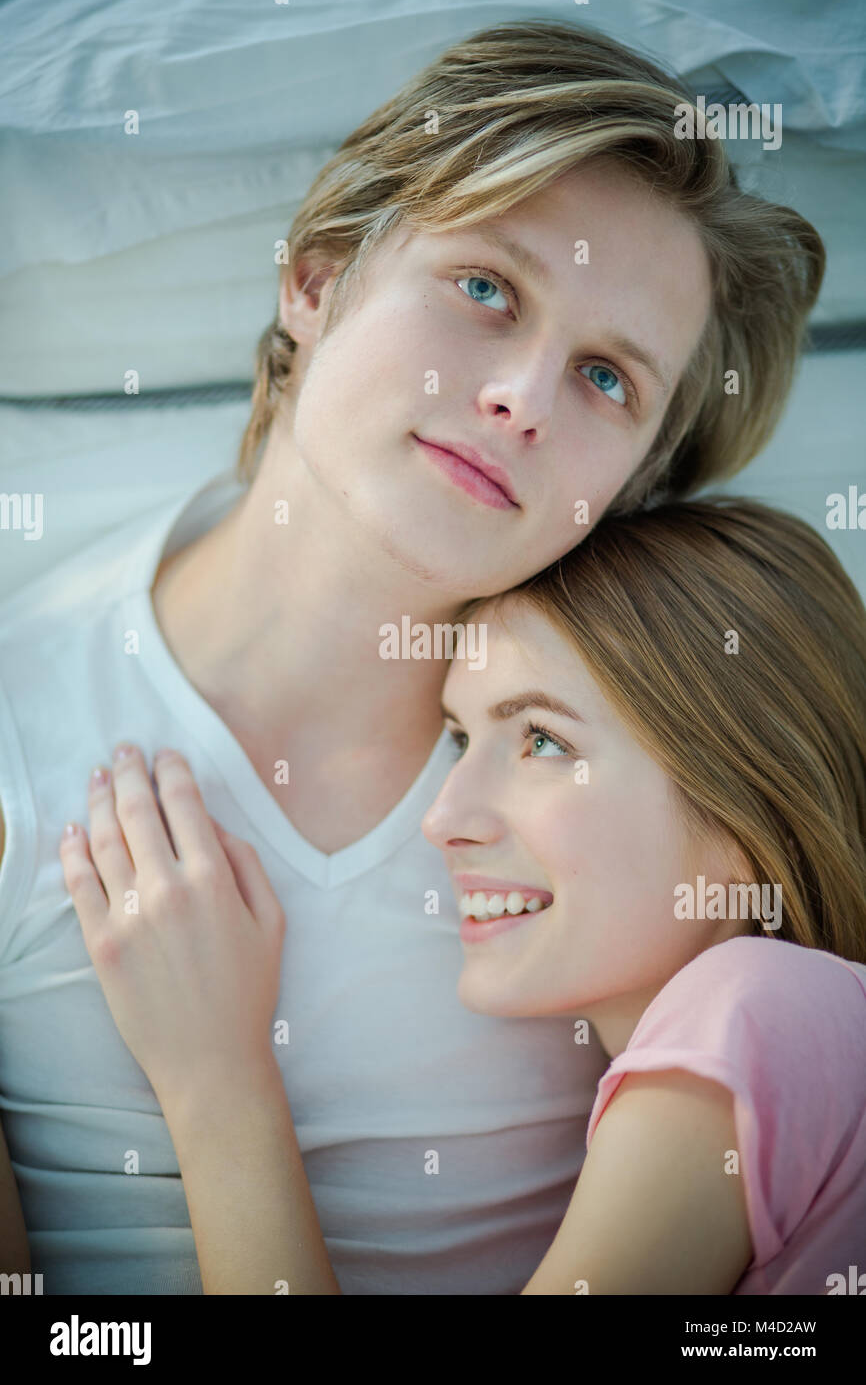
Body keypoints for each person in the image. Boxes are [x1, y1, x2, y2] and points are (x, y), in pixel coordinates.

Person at [0, 19, 824, 1293]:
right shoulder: (18, 718)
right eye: (485, 287)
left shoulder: (656, 808)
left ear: (631, 484)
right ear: (317, 280)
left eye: (606, 378)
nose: (524, 398)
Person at [58, 497, 866, 1295]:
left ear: (744, 811)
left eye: (543, 741)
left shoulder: (753, 1005)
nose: (443, 819)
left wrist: (219, 1089)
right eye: (459, 740)